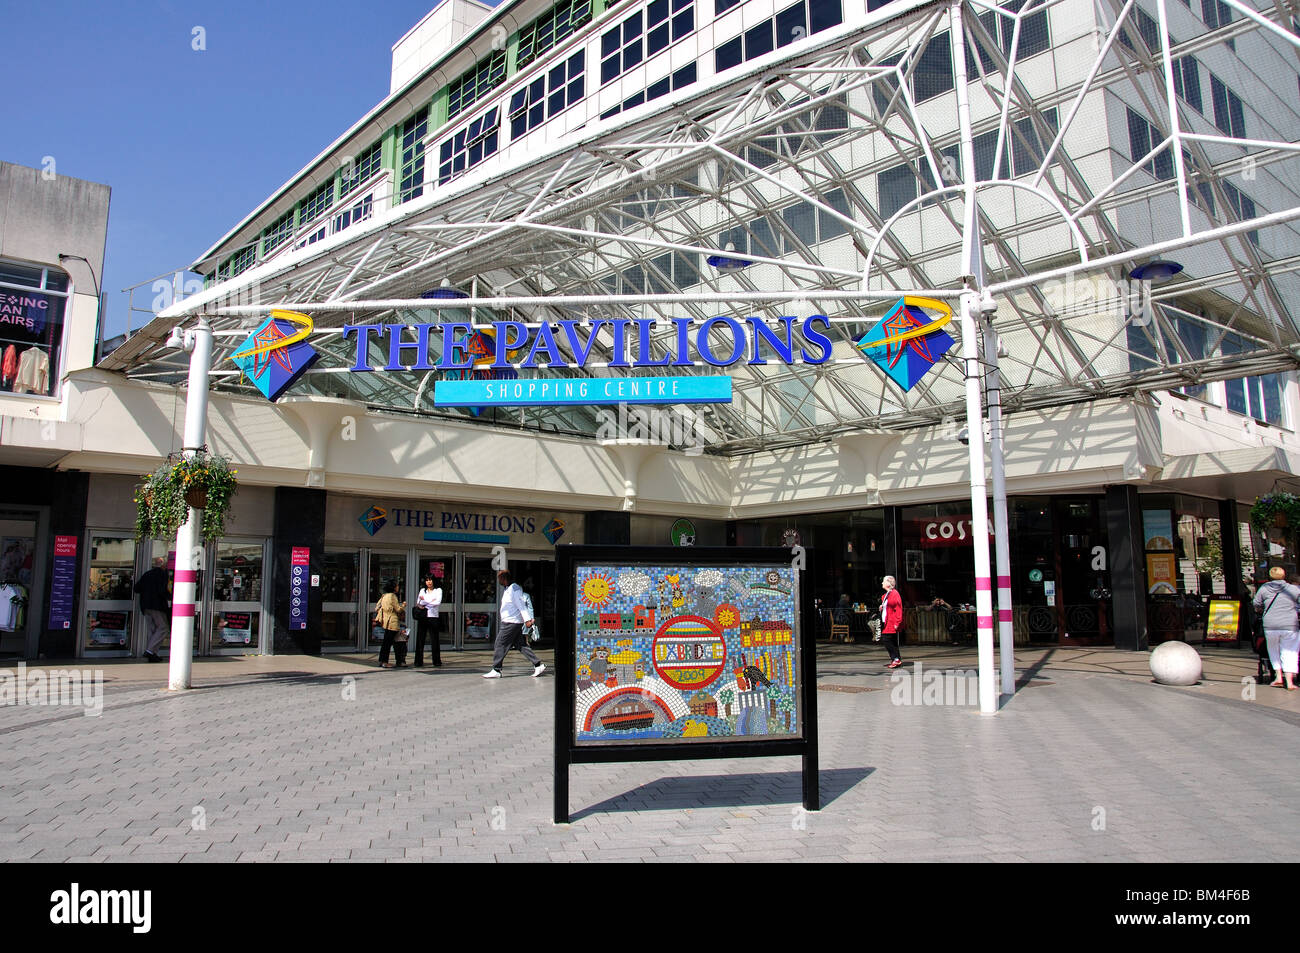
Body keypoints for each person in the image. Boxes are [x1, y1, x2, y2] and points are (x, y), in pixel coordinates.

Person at [483, 570, 545, 679]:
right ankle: (538, 664)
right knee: (521, 645)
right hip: (512, 622)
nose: (498, 581)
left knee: (499, 644)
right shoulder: (508, 589)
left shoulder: (514, 589)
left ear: (504, 578)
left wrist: (527, 620)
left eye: (499, 578)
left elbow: (521, 605)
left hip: (511, 623)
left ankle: (496, 670)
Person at [1252, 566, 1300, 690]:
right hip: (1289, 624)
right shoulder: (1293, 589)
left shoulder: (1264, 588)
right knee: (1290, 652)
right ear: (1284, 576)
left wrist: (1262, 609)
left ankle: (1278, 677)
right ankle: (1289, 681)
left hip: (1270, 624)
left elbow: (1256, 604)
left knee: (1273, 650)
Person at [134, 556, 170, 662]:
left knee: (152, 630)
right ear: (163, 565)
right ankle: (150, 651)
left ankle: (153, 654)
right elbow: (162, 590)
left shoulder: (147, 574)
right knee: (163, 628)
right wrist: (171, 597)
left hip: (145, 606)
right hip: (157, 606)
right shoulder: (162, 574)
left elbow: (137, 588)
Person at [375, 581, 407, 669]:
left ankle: (382, 661)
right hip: (392, 622)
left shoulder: (384, 596)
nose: (398, 587)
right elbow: (398, 609)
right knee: (396, 642)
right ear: (393, 587)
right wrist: (403, 605)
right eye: (396, 586)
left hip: (386, 621)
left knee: (386, 642)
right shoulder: (393, 596)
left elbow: (377, 607)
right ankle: (388, 661)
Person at [414, 575, 443, 668]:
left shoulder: (438, 590)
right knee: (420, 639)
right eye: (427, 580)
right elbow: (418, 603)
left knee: (434, 640)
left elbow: (437, 602)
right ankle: (418, 661)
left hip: (433, 617)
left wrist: (425, 601)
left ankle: (437, 661)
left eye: (430, 580)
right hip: (423, 617)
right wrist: (430, 601)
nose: (429, 582)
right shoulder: (422, 590)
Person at [880, 575, 903, 669]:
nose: (882, 583)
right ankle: (896, 659)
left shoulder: (894, 594)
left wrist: (897, 622)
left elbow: (898, 608)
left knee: (886, 639)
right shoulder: (887, 595)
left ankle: (895, 658)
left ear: (889, 584)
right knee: (892, 641)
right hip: (887, 621)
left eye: (884, 581)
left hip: (891, 622)